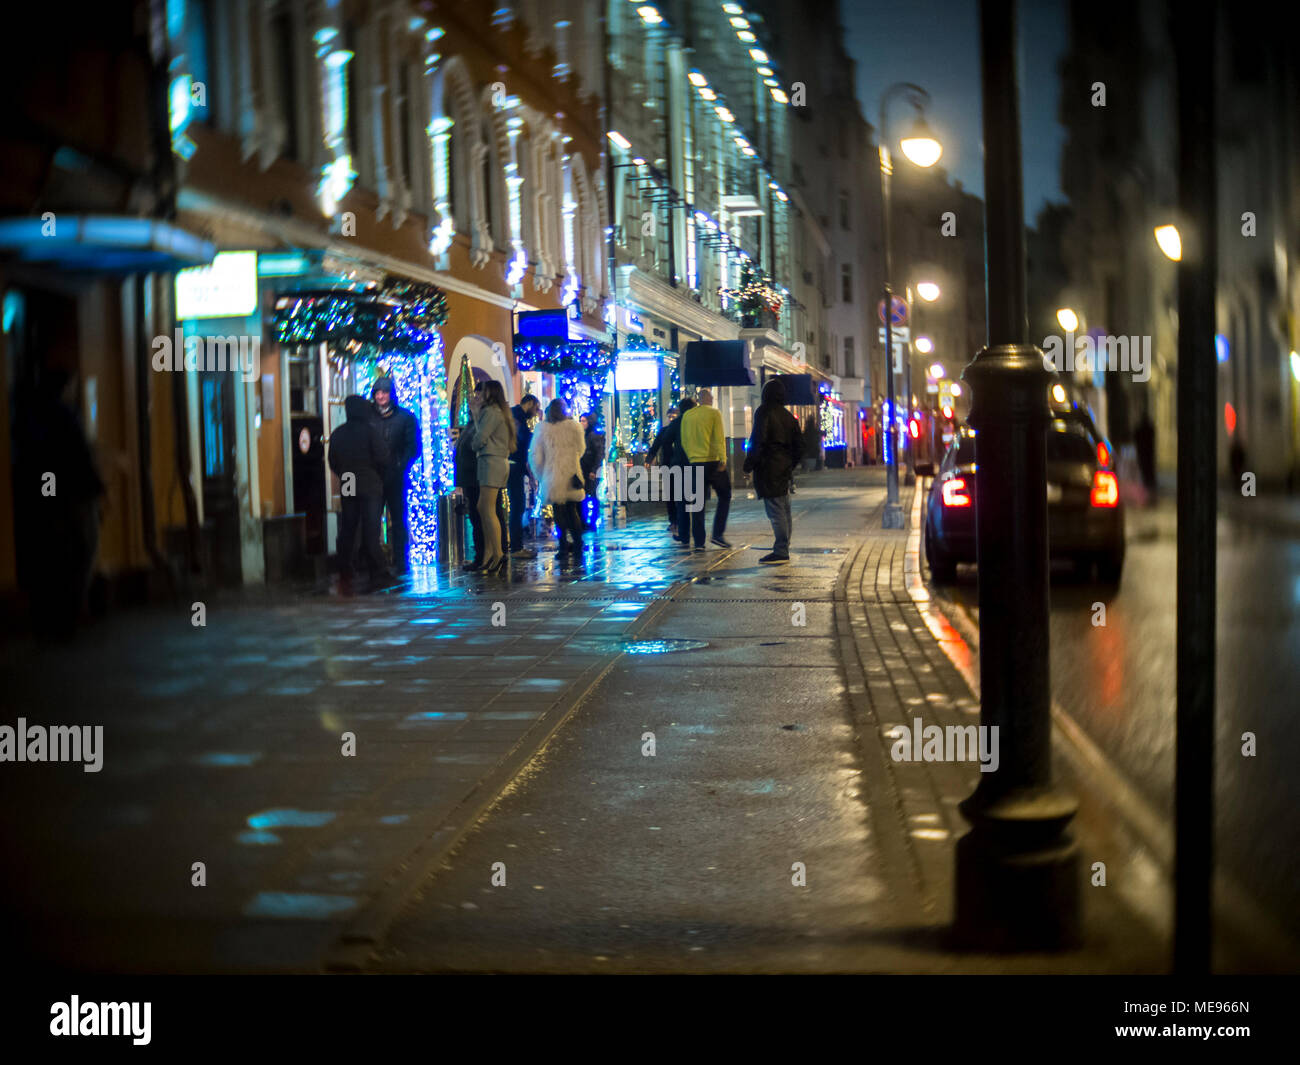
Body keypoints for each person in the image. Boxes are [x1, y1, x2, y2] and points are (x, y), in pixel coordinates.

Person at [13, 367, 105, 639]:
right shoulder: (62, 417)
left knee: (58, 553)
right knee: (81, 548)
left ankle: (57, 616)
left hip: (51, 499)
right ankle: (71, 612)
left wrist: (47, 495)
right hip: (72, 496)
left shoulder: (31, 420)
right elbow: (75, 458)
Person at [329, 394, 393, 593]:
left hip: (348, 479)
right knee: (370, 527)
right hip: (369, 482)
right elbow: (383, 457)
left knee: (348, 525)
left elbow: (333, 460)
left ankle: (345, 566)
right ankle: (377, 570)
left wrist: (344, 473)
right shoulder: (370, 431)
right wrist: (378, 475)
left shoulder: (339, 433)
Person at [744, 379, 804, 564]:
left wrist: (748, 465)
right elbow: (800, 445)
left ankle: (781, 550)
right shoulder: (787, 416)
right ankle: (783, 547)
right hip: (784, 468)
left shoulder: (764, 412)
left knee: (776, 510)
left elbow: (757, 440)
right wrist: (790, 463)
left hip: (769, 467)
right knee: (784, 509)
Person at [370, 375, 419, 575]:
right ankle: (376, 561)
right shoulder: (369, 417)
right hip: (373, 477)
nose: (381, 396)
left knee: (398, 519)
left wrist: (400, 465)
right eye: (378, 393)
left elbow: (413, 447)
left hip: (396, 477)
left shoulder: (405, 418)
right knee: (373, 519)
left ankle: (400, 560)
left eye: (384, 392)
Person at [529, 398, 588, 562]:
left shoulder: (542, 429)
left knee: (559, 513)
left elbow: (536, 456)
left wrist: (542, 474)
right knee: (572, 510)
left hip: (553, 476)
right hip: (571, 474)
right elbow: (581, 450)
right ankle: (577, 544)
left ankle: (563, 546)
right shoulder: (575, 427)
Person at [679, 387, 731, 549]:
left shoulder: (687, 415)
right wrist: (723, 459)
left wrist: (692, 457)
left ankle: (699, 542)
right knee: (725, 495)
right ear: (709, 399)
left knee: (697, 503)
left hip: (695, 463)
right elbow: (718, 438)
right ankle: (717, 534)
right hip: (713, 462)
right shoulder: (714, 413)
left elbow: (684, 440)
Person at [472, 379, 514, 575]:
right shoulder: (499, 412)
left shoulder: (491, 412)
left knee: (487, 508)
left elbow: (480, 437)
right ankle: (492, 552)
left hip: (491, 461)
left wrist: (474, 444)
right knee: (484, 507)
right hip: (495, 461)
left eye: (483, 392)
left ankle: (497, 553)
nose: (479, 395)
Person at [508, 393, 542, 557]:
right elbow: (520, 443)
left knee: (518, 506)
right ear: (529, 403)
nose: (536, 412)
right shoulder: (516, 417)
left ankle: (515, 545)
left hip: (516, 466)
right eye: (536, 408)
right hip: (513, 467)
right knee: (518, 506)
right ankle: (516, 547)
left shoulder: (517, 416)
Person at [646, 404, 680, 538]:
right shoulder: (664, 431)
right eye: (670, 416)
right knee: (670, 495)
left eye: (674, 416)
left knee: (680, 494)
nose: (671, 418)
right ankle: (673, 520)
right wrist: (649, 459)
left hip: (681, 466)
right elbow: (655, 446)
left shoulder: (682, 429)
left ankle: (680, 520)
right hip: (667, 466)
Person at [665, 397, 696, 544]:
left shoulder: (677, 423)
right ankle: (699, 538)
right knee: (697, 503)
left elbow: (666, 440)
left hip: (680, 465)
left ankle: (684, 535)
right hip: (697, 463)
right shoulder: (698, 422)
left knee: (682, 503)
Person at [579, 412, 606, 535]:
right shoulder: (582, 434)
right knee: (582, 496)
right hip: (582, 469)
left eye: (584, 421)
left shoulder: (594, 435)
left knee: (593, 496)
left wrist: (594, 470)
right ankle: (584, 521)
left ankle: (593, 521)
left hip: (590, 470)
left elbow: (599, 453)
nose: (581, 423)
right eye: (580, 420)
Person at [1133, 405, 1156, 502]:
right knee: (1147, 468)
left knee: (1146, 468)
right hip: (1146, 452)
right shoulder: (1148, 428)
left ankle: (1148, 483)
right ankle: (1149, 483)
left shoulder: (1142, 429)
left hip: (1144, 452)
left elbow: (1136, 436)